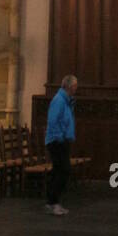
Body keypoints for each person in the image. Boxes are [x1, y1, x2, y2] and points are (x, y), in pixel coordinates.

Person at [44, 73, 77, 216]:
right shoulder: (59, 100)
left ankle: (53, 202)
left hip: (62, 140)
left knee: (59, 171)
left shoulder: (66, 101)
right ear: (69, 86)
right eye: (75, 86)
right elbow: (53, 120)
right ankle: (53, 202)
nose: (76, 89)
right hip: (57, 141)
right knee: (63, 171)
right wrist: (60, 137)